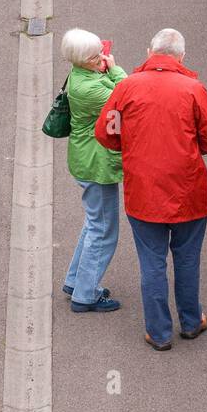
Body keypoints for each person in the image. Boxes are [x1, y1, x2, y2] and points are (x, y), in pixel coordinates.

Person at [95, 29, 207, 351]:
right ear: (181, 56)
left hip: (143, 191)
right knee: (187, 258)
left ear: (149, 51)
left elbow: (106, 132)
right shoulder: (193, 88)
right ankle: (191, 322)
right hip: (188, 188)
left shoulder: (126, 87)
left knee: (151, 261)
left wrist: (131, 148)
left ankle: (159, 331)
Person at [59, 29, 127, 314]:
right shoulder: (90, 89)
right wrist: (115, 69)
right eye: (95, 55)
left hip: (84, 157)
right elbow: (128, 96)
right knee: (103, 230)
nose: (102, 56)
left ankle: (76, 281)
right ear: (84, 59)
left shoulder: (78, 75)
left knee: (93, 223)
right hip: (97, 163)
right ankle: (86, 294)